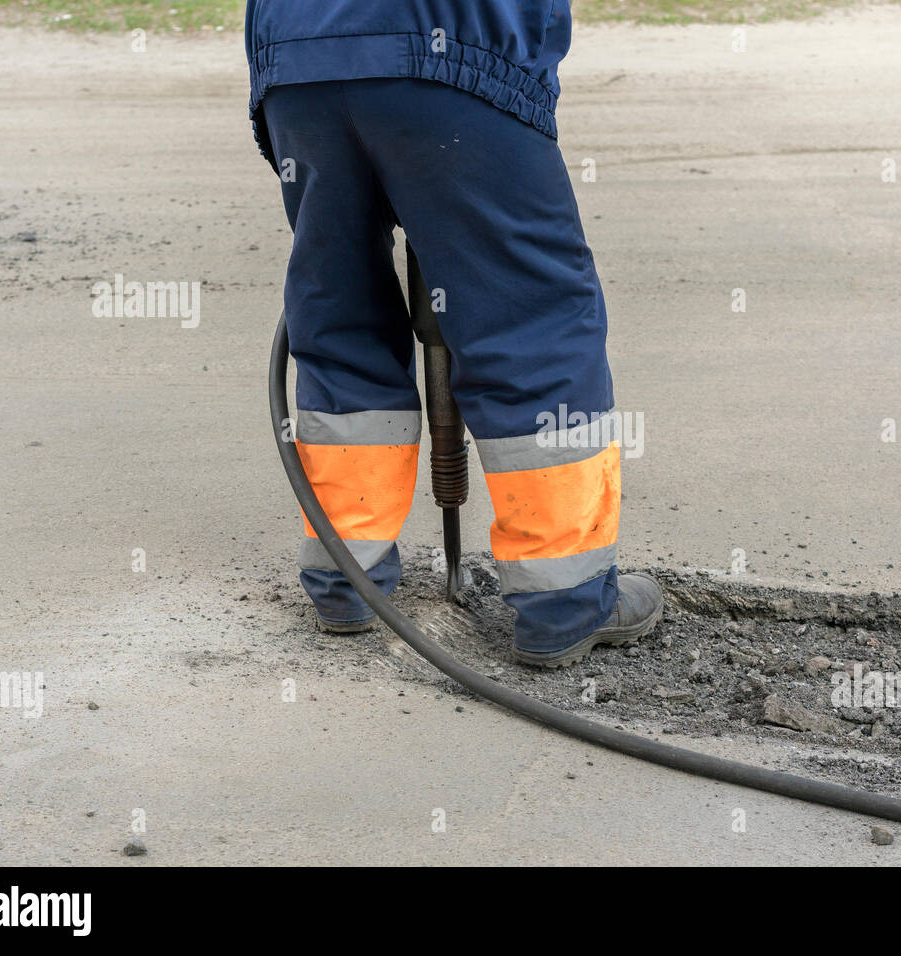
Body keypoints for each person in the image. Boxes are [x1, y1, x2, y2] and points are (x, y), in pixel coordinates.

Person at [246, 1, 663, 667]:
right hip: (451, 49)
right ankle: (565, 598)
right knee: (531, 314)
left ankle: (346, 578)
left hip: (301, 63)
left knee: (339, 313)